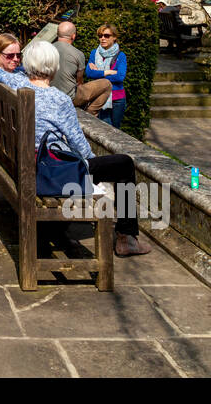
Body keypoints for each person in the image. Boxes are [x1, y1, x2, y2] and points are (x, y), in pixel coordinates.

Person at [22, 40, 151, 256]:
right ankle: (127, 237)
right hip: (50, 168)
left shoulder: (18, 88)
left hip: (29, 162)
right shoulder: (58, 99)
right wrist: (92, 170)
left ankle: (58, 230)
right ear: (54, 67)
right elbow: (79, 143)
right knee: (124, 164)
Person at [52, 21, 111, 116]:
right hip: (69, 98)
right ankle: (89, 115)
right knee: (107, 84)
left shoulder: (46, 49)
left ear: (57, 33)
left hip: (49, 94)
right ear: (73, 36)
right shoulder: (78, 54)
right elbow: (79, 81)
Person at [85, 23, 127, 129]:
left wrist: (98, 74)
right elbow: (88, 73)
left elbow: (120, 77)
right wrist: (107, 72)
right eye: (100, 36)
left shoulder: (121, 55)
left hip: (117, 98)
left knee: (116, 130)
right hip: (100, 97)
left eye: (107, 36)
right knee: (106, 128)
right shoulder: (94, 53)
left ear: (114, 37)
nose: (103, 38)